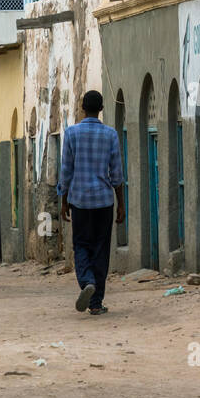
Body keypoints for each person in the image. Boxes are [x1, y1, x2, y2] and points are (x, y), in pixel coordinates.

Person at [58, 89, 125, 315]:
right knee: (101, 249)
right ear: (102, 109)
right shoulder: (111, 135)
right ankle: (96, 302)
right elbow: (116, 174)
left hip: (80, 201)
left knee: (81, 245)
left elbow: (66, 171)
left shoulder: (71, 133)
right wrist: (121, 204)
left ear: (82, 108)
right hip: (104, 202)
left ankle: (86, 280)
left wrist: (64, 200)